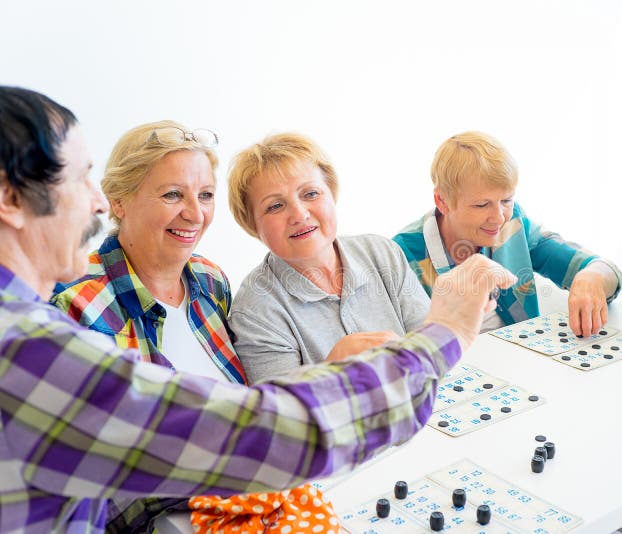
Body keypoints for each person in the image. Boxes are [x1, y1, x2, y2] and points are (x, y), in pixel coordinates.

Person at [0, 86, 515, 534]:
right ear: (9, 197)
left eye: (203, 195)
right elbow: (257, 431)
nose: (92, 201)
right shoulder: (36, 338)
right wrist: (441, 334)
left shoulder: (209, 281)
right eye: (80, 180)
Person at [50, 121, 337, 533]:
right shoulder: (77, 304)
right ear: (118, 201)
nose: (195, 213)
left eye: (204, 196)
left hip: (258, 495)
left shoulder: (209, 280)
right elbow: (92, 472)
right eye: (172, 195)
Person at [227, 133, 430, 380]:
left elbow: (431, 351)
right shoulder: (255, 311)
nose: (299, 215)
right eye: (275, 206)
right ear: (252, 225)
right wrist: (331, 370)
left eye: (311, 194)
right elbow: (282, 414)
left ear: (331, 194)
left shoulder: (382, 253)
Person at [393, 131, 622, 336]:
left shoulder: (514, 224)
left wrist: (591, 276)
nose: (499, 217)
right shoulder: (399, 256)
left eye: (506, 200)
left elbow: (606, 271)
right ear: (442, 201)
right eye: (481, 205)